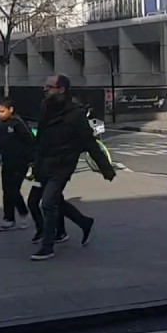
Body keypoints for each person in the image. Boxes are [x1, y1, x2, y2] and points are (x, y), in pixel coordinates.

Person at [31, 73, 113, 261]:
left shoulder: (75, 114)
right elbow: (41, 137)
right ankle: (85, 223)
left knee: (48, 202)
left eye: (49, 87)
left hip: (63, 164)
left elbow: (89, 142)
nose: (45, 89)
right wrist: (34, 161)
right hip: (45, 163)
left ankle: (47, 246)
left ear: (61, 89)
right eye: (45, 86)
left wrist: (105, 168)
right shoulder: (45, 107)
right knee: (56, 201)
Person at [0, 97, 33, 231]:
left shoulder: (18, 123)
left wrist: (32, 162)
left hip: (20, 163)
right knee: (7, 191)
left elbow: (32, 143)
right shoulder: (1, 126)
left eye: (2, 111)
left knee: (13, 190)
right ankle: (8, 219)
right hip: (7, 163)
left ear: (10, 109)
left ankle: (23, 213)